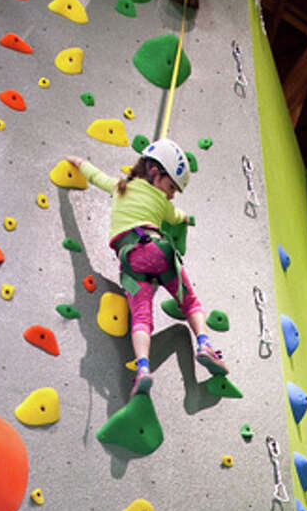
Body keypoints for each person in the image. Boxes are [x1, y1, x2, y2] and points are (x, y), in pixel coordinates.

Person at [64, 138, 226, 396]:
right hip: (158, 250)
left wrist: (78, 161)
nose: (170, 194)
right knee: (190, 303)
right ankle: (204, 344)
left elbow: (95, 176)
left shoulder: (120, 188)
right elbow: (177, 216)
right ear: (154, 171)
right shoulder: (162, 202)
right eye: (170, 187)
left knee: (141, 318)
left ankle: (142, 369)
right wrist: (186, 218)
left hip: (131, 262)